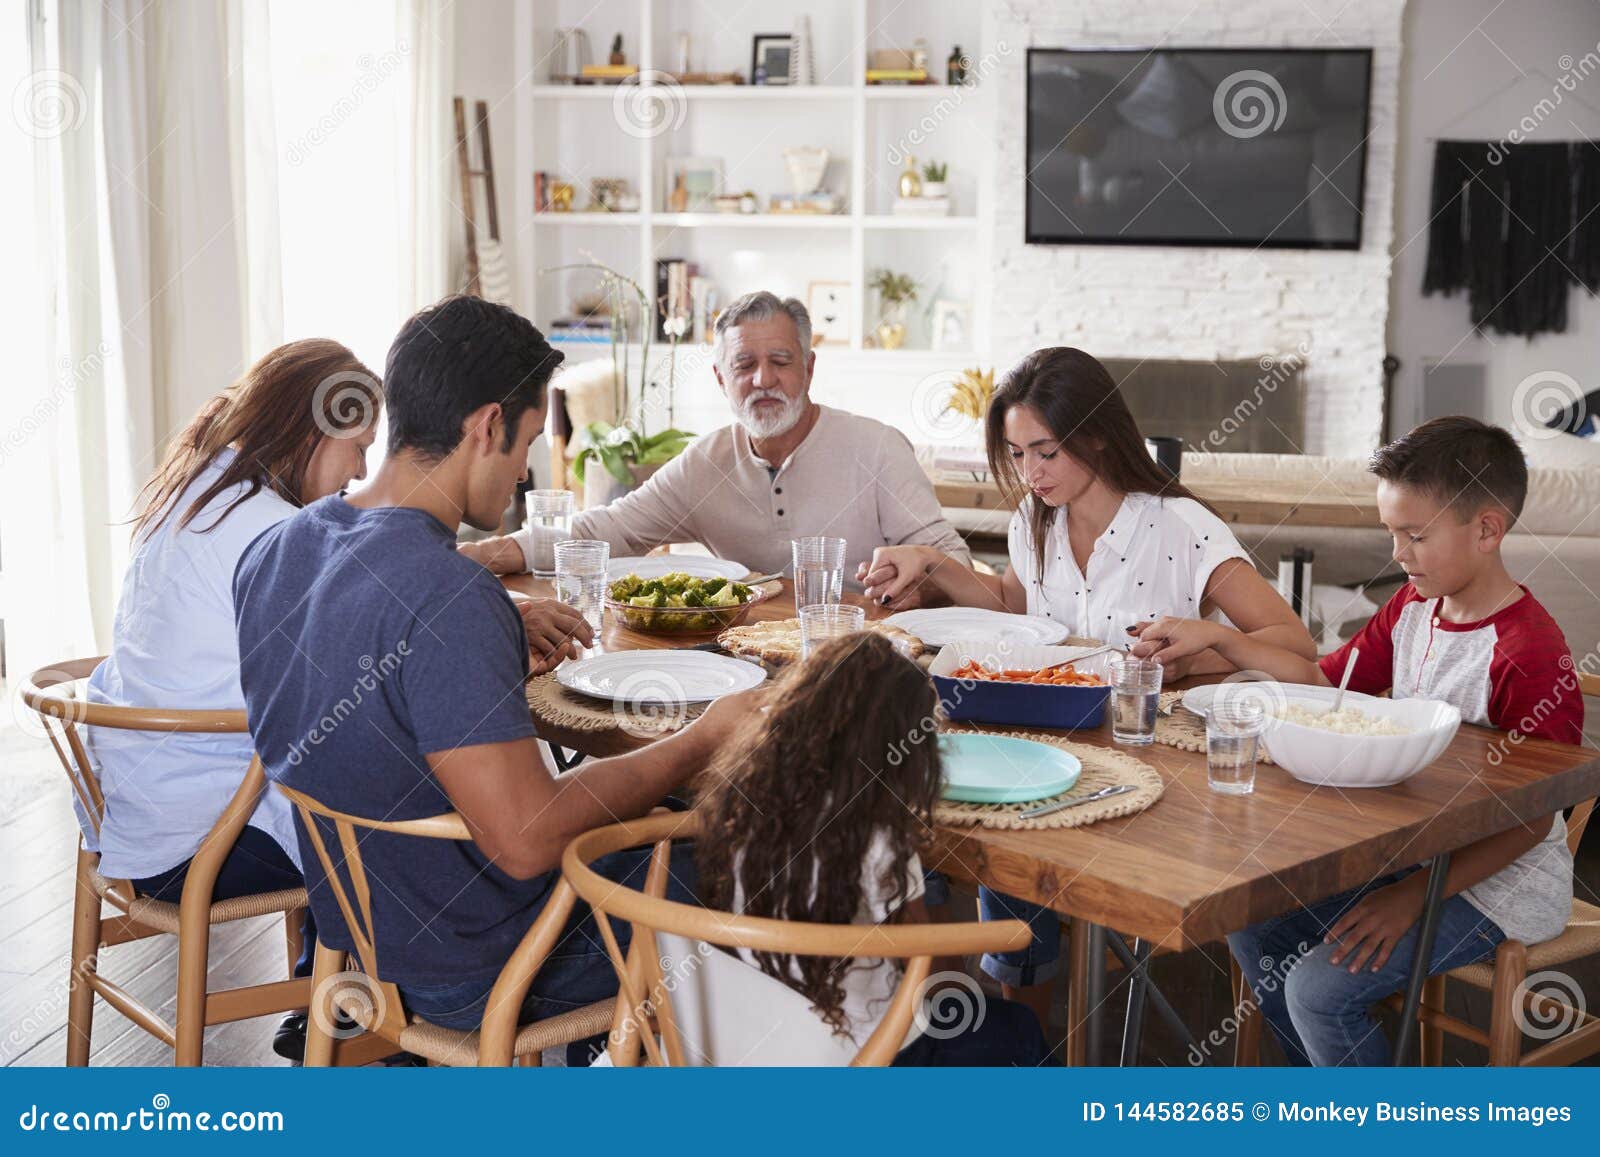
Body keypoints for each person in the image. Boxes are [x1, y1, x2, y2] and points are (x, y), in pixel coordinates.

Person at [233, 296, 754, 1045]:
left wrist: (485, 651)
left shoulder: (278, 551)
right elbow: (527, 839)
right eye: (527, 442)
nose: (522, 473)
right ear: (485, 425)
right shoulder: (449, 594)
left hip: (360, 938)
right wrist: (705, 736)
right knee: (768, 844)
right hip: (486, 969)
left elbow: (376, 680)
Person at [858, 346, 1316, 1025]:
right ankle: (1021, 1028)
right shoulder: (1034, 523)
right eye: (1016, 455)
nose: (1030, 473)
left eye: (1045, 452)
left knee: (1004, 826)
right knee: (966, 814)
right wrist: (930, 561)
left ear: (1096, 434)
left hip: (1152, 771)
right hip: (1054, 750)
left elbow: (1301, 654)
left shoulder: (1180, 527)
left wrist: (1213, 638)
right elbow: (1019, 606)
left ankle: (1021, 1020)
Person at [1131, 416, 1583, 1065]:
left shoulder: (1527, 650)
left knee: (1317, 989)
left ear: (1487, 529)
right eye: (1392, 532)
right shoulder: (1410, 608)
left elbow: (1537, 817)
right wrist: (1225, 638)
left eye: (1416, 535)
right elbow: (1321, 680)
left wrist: (1408, 900)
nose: (1398, 552)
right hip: (1411, 855)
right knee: (1255, 925)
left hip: (1498, 885)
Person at [85, 339, 380, 1061]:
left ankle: (328, 998)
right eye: (359, 447)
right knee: (386, 808)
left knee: (338, 762)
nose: (363, 470)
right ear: (316, 431)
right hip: (201, 847)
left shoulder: (200, 490)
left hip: (129, 815)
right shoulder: (271, 530)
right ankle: (378, 1024)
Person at [694, 632, 1054, 1065]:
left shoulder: (743, 808)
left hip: (755, 1042)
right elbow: (926, 966)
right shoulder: (878, 838)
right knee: (1018, 1028)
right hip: (867, 1053)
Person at [460, 290, 970, 592]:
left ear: (809, 369)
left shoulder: (877, 448)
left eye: (781, 362)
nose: (763, 380)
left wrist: (921, 575)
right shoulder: (705, 464)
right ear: (722, 380)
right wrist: (490, 554)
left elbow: (957, 563)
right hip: (742, 668)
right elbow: (607, 529)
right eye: (744, 366)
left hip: (865, 664)